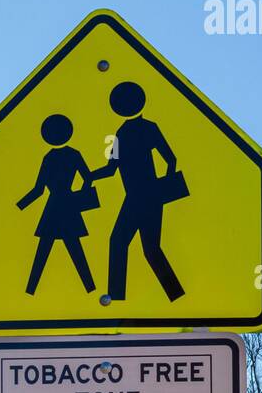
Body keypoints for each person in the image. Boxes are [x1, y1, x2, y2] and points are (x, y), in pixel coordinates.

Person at [90, 81, 185, 302]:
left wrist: (89, 176)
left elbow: (169, 158)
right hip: (142, 196)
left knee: (125, 243)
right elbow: (170, 160)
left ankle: (118, 299)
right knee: (144, 248)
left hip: (142, 196)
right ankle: (174, 294)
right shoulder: (129, 131)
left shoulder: (127, 132)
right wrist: (89, 176)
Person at [16, 113, 97, 296]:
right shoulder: (73, 155)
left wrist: (21, 205)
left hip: (54, 207)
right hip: (68, 205)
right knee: (72, 249)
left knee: (46, 250)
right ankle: (90, 288)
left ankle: (31, 290)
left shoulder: (49, 158)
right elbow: (88, 178)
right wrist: (79, 196)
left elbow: (39, 190)